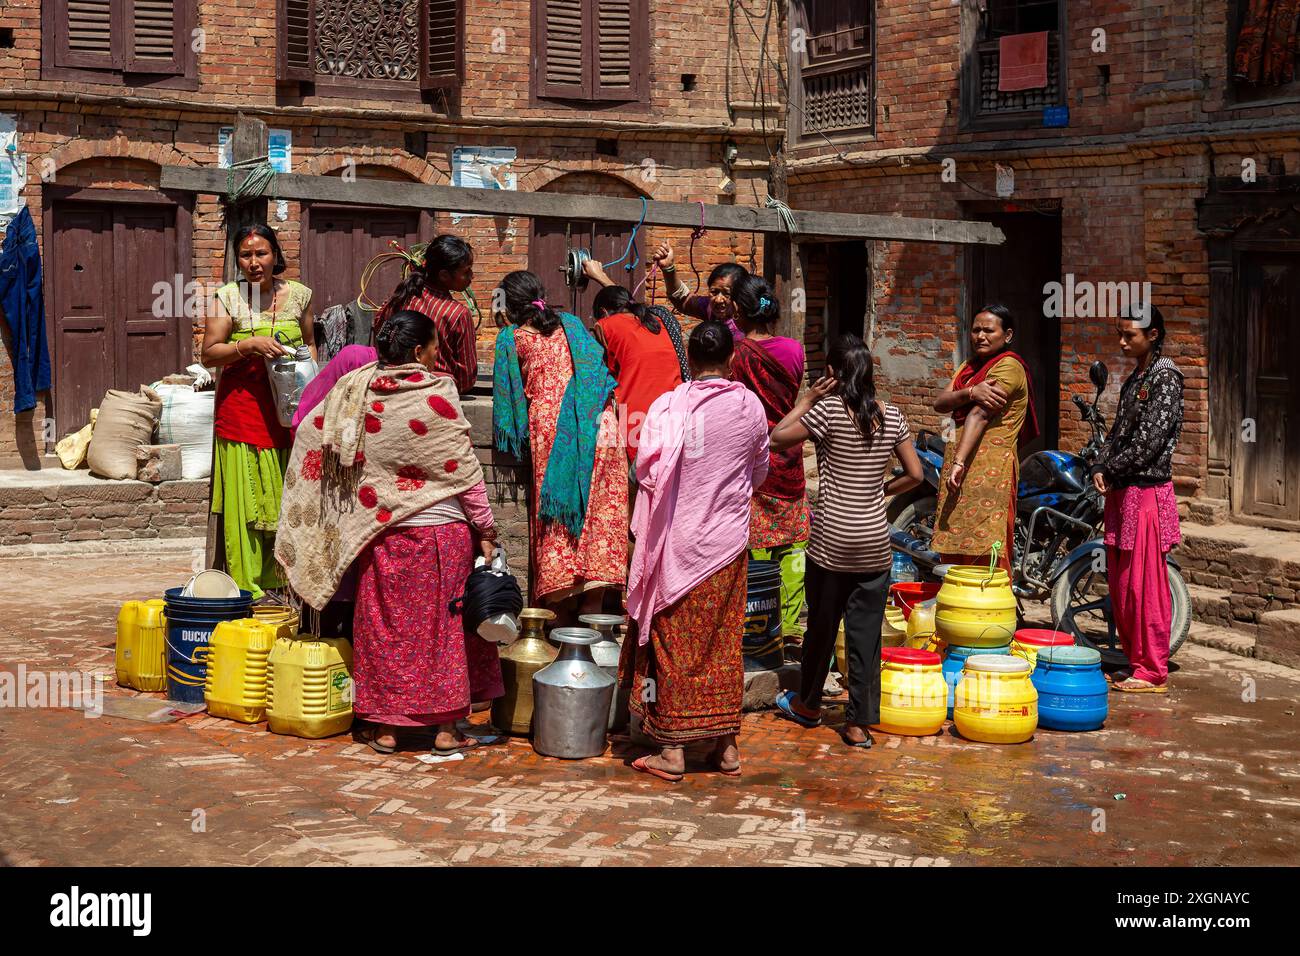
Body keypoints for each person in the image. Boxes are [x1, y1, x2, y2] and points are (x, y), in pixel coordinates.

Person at [276, 311, 502, 754]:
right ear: (418, 352)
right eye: (436, 347)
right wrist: (487, 528)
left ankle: (386, 728)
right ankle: (445, 730)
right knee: (444, 631)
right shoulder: (438, 391)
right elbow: (465, 471)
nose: (439, 356)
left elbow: (309, 430)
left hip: (381, 533)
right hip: (444, 536)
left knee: (385, 629)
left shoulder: (356, 389)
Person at [622, 320, 770, 781]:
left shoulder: (668, 407)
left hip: (677, 548)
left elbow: (644, 468)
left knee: (674, 646)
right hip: (727, 545)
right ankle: (726, 749)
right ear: (731, 360)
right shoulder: (749, 405)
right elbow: (760, 469)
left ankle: (672, 752)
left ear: (690, 357)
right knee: (724, 646)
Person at [769, 335, 923, 747]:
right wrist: (881, 491)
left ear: (833, 374)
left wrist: (806, 400)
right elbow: (916, 475)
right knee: (865, 635)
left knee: (820, 625)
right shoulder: (891, 415)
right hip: (874, 541)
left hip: (831, 542)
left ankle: (808, 704)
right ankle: (858, 724)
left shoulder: (828, 411)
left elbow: (776, 438)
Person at [492, 270, 628, 617]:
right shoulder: (571, 324)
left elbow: (508, 402)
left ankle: (561, 621)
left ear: (508, 306)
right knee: (600, 515)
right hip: (600, 423)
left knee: (558, 520)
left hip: (556, 432)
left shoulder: (513, 338)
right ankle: (594, 619)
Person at [202, 223, 315, 599]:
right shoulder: (227, 298)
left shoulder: (299, 296)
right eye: (246, 255)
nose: (254, 262)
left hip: (288, 413)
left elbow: (311, 344)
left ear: (276, 255)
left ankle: (283, 580)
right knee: (246, 500)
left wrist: (309, 392)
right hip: (242, 412)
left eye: (261, 253)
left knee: (286, 496)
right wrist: (247, 346)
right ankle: (248, 587)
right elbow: (208, 354)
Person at [1093, 304, 1183, 694]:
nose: (1122, 341)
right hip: (1123, 492)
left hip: (1145, 493)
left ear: (1154, 335)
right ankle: (1136, 662)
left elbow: (1150, 441)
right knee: (1124, 583)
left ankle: (1152, 669)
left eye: (1129, 334)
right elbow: (1117, 432)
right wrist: (1100, 463)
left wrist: (1111, 469)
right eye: (1120, 333)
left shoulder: (1167, 378)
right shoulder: (1136, 377)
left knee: (1146, 585)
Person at [728, 273, 810, 647]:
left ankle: (758, 624)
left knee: (757, 544)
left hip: (754, 454)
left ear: (737, 311)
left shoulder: (739, 354)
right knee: (792, 544)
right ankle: (791, 626)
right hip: (790, 450)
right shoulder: (795, 350)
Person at [931, 304, 1040, 574]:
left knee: (987, 542)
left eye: (989, 330)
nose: (980, 336)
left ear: (1007, 335)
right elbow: (940, 402)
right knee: (954, 543)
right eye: (976, 330)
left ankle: (989, 606)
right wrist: (970, 392)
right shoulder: (968, 368)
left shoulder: (1009, 367)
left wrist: (958, 462)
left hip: (991, 473)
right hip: (960, 467)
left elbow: (979, 415)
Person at [580, 266, 686, 463]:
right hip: (675, 411)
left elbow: (595, 371)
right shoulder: (656, 320)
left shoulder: (606, 325)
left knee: (639, 479)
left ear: (603, 312)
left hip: (638, 416)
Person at [375, 234, 479, 395]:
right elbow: (466, 380)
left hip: (392, 388)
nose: (472, 275)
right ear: (444, 275)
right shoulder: (457, 314)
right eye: (466, 271)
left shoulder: (402, 297)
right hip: (438, 394)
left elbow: (378, 337)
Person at [652, 241, 748, 336]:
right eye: (714, 292)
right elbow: (683, 300)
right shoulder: (709, 308)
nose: (718, 300)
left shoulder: (752, 319)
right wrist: (668, 268)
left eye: (727, 293)